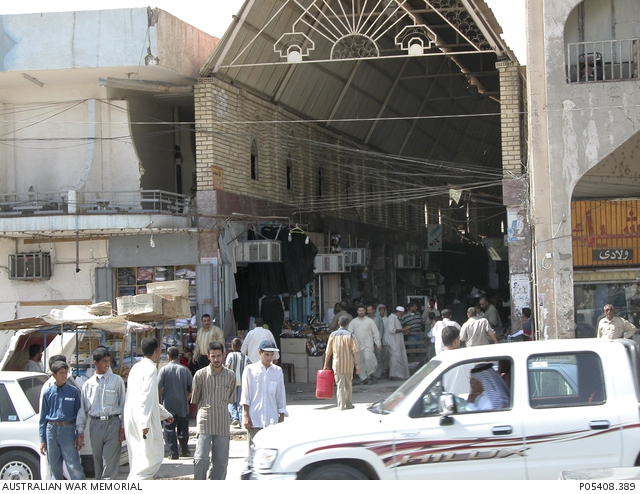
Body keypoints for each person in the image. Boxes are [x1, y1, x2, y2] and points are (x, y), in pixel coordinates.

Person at [123, 337, 174, 480]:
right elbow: (146, 397)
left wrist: (165, 414)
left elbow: (147, 398)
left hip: (132, 417)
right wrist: (144, 423)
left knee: (138, 459)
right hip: (143, 420)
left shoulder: (135, 368)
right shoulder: (151, 369)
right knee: (149, 461)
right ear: (157, 351)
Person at [76, 347, 125, 480]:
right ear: (96, 363)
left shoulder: (117, 381)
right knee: (97, 462)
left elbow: (123, 405)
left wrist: (123, 427)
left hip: (112, 424)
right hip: (95, 425)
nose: (107, 364)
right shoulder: (88, 385)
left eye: (108, 361)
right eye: (104, 361)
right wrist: (80, 431)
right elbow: (83, 409)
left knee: (109, 463)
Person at [191, 341, 236, 480]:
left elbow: (230, 399)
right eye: (213, 356)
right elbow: (196, 398)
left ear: (224, 356)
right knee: (201, 458)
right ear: (208, 356)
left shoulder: (231, 376)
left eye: (219, 356)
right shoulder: (200, 375)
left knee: (221, 462)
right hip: (205, 421)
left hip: (223, 422)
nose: (216, 359)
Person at [39, 359, 86, 480]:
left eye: (66, 372)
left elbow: (79, 413)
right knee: (54, 466)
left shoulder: (73, 391)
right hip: (51, 430)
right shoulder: (48, 393)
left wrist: (79, 433)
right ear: (54, 375)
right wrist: (42, 439)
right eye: (61, 373)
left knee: (74, 465)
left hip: (68, 430)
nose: (64, 375)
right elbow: (43, 418)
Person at [240, 340, 288, 452]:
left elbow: (280, 394)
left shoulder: (277, 371)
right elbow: (245, 394)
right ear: (260, 353)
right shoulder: (250, 370)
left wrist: (281, 415)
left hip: (271, 419)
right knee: (253, 451)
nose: (269, 358)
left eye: (271, 355)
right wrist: (246, 415)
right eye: (267, 354)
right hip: (254, 418)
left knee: (271, 452)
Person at [158, 346, 193, 460]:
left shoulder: (163, 370)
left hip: (168, 404)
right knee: (183, 428)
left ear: (168, 356)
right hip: (182, 404)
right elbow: (191, 389)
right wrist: (186, 398)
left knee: (169, 429)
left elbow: (158, 387)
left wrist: (159, 401)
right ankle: (185, 450)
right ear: (178, 356)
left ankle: (173, 453)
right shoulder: (185, 370)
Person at [323, 315, 361, 410]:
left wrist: (325, 365)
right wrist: (358, 365)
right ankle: (349, 404)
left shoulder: (332, 335)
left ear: (338, 323)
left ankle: (341, 405)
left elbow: (328, 352)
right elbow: (356, 351)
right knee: (348, 384)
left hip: (337, 365)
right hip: (348, 364)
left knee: (340, 385)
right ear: (348, 324)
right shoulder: (351, 335)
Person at [348, 305, 381, 385]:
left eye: (362, 310)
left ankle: (369, 376)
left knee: (368, 358)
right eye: (360, 310)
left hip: (368, 344)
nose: (361, 312)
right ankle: (363, 378)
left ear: (365, 311)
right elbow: (349, 334)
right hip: (356, 344)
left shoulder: (370, 321)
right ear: (357, 312)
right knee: (359, 362)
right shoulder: (353, 322)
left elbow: (375, 333)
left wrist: (378, 344)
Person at [225, 337, 250, 428]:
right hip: (242, 382)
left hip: (232, 381)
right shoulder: (245, 357)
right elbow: (250, 367)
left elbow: (227, 367)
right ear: (241, 346)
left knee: (231, 401)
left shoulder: (230, 355)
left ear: (232, 346)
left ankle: (234, 417)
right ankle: (241, 419)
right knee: (240, 401)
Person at [385, 306, 410, 381]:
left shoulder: (394, 318)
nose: (402, 315)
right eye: (402, 313)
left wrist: (403, 330)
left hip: (396, 341)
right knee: (397, 358)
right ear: (400, 312)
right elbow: (392, 330)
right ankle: (398, 375)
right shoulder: (391, 318)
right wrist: (403, 329)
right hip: (393, 342)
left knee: (394, 359)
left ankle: (393, 375)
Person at [368, 303, 388, 380]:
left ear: (373, 310)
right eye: (368, 310)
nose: (369, 312)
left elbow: (381, 330)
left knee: (378, 357)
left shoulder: (378, 318)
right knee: (370, 358)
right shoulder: (366, 318)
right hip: (368, 342)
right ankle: (370, 373)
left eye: (370, 310)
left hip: (377, 342)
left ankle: (377, 374)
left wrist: (378, 340)